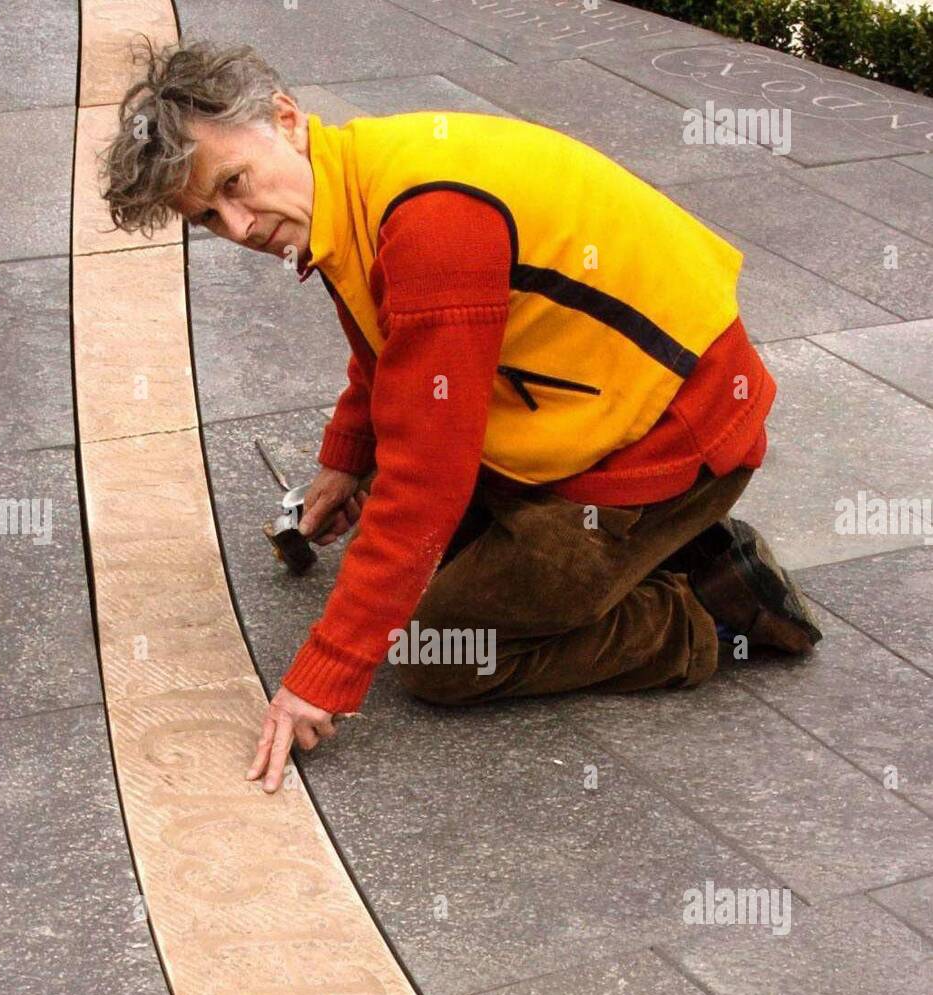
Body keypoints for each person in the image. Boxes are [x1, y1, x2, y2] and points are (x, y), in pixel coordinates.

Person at [102, 39, 821, 794]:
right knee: (415, 564)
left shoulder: (432, 223)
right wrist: (347, 456)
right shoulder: (362, 170)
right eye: (209, 218)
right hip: (587, 406)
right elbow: (392, 341)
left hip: (669, 440)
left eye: (234, 184)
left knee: (440, 652)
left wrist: (326, 674)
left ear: (283, 118)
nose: (241, 225)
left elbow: (427, 477)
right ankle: (663, 553)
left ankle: (707, 612)